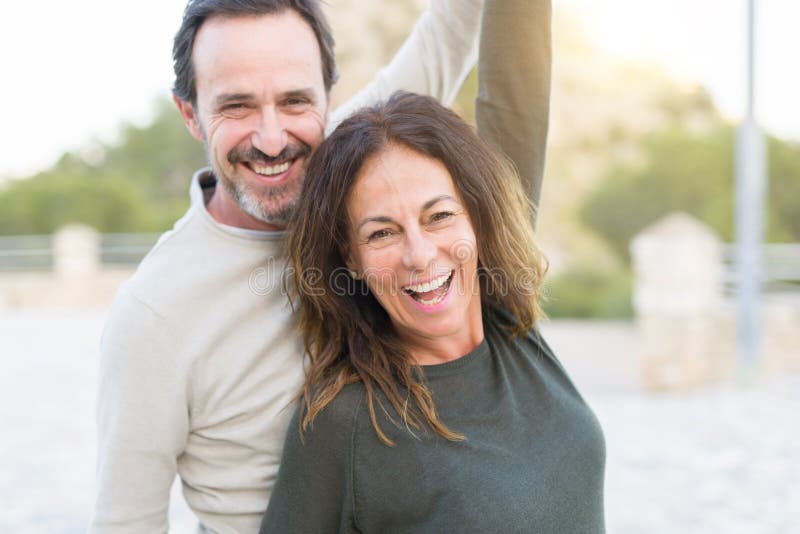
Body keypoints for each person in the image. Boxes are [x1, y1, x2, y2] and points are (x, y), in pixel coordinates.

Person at [92, 0, 551, 532]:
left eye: (295, 101)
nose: (271, 140)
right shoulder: (153, 313)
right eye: (236, 106)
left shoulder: (353, 155)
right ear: (190, 114)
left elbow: (448, 36)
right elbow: (125, 522)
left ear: (328, 97)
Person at [260, 91, 605, 533]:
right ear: (351, 259)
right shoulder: (345, 419)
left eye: (439, 216)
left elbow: (518, 104)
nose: (419, 256)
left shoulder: (511, 327)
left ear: (476, 217)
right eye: (382, 233)